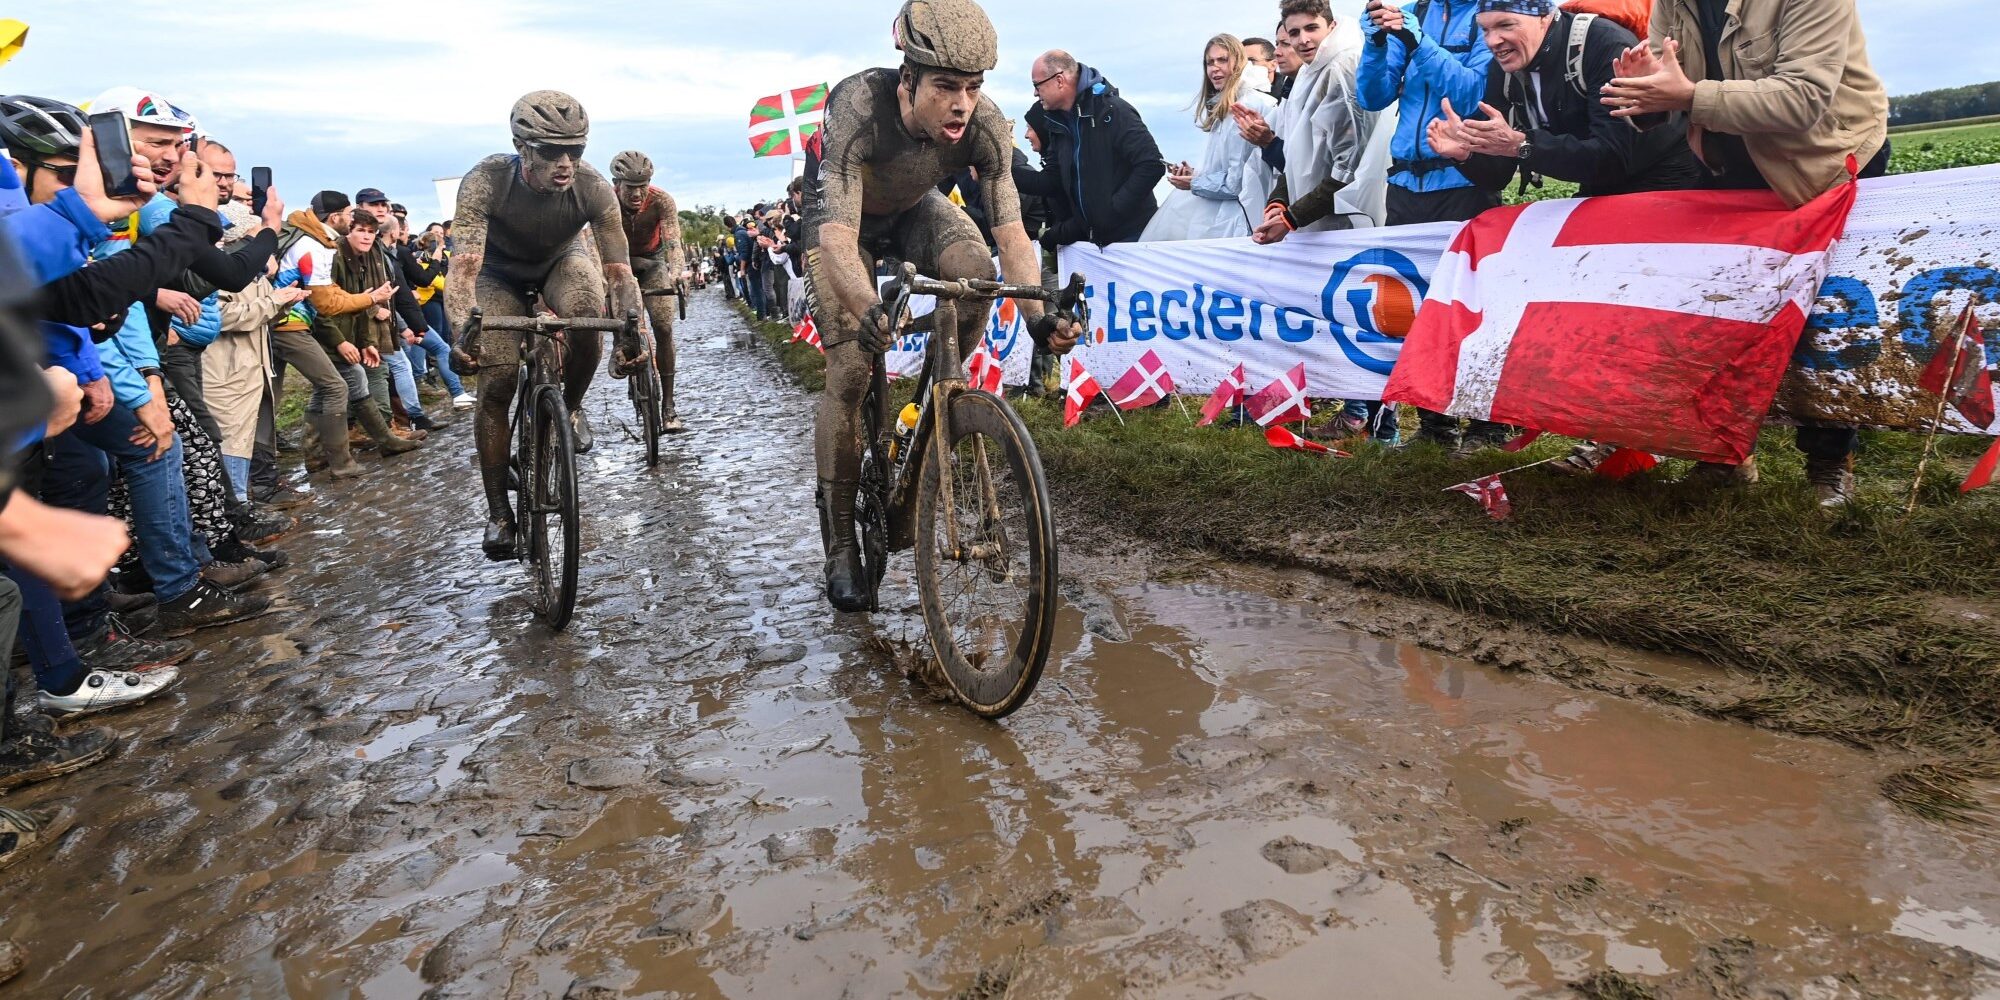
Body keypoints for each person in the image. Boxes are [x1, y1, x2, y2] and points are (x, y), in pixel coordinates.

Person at [802, 0, 1083, 611]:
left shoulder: (984, 124)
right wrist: (867, 310)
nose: (962, 103)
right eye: (946, 87)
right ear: (908, 81)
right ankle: (840, 543)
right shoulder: (857, 106)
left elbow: (1010, 234)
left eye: (974, 87)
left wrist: (1039, 320)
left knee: (975, 274)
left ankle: (932, 403)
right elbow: (837, 242)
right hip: (840, 224)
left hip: (912, 212)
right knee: (850, 369)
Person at [1602, 0, 1889, 505]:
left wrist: (1685, 94)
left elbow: (1802, 98)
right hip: (1730, 168)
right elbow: (1670, 93)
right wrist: (1645, 95)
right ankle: (1723, 455)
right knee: (1719, 311)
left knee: (1824, 318)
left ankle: (1829, 463)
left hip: (1824, 164)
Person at [1426, 0, 1703, 469]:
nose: (1493, 40)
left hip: (1668, 180)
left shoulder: (1602, 45)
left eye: (1505, 25)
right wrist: (1466, 156)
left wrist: (1526, 146)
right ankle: (1609, 435)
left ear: (1544, 17)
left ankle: (1687, 445)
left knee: (1653, 322)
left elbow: (1615, 153)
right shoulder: (1506, 67)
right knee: (1602, 321)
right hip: (1604, 184)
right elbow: (1499, 172)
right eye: (1485, 29)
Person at [446, 90, 646, 560]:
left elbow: (620, 274)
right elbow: (463, 271)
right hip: (497, 275)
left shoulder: (594, 187)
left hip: (561, 260)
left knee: (587, 314)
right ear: (522, 149)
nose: (565, 163)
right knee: (495, 380)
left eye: (575, 151)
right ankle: (499, 513)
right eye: (551, 152)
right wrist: (462, 333)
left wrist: (631, 331)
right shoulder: (485, 181)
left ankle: (568, 409)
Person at [1239, 0, 1394, 241]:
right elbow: (1298, 159)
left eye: (1311, 28)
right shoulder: (1308, 73)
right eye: (1294, 32)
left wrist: (1291, 218)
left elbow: (1348, 169)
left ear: (1331, 26)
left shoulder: (1342, 69)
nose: (1303, 40)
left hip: (1347, 225)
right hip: (1316, 220)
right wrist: (1279, 203)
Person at [1015, 50, 1165, 251]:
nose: (1035, 92)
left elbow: (1152, 164)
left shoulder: (1113, 111)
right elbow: (1052, 181)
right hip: (1094, 245)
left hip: (1132, 240)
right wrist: (998, 172)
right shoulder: (1057, 125)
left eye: (1037, 85)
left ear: (1059, 80)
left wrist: (1111, 212)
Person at [1141, 34, 1279, 241]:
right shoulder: (1227, 108)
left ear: (1239, 63)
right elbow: (1226, 168)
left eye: (1222, 60)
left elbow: (1238, 183)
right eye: (1209, 62)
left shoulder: (1246, 106)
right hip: (1224, 219)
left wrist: (1194, 182)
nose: (1214, 68)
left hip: (1236, 223)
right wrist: (1197, 173)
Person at [610, 149, 688, 432]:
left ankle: (668, 406)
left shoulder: (661, 201)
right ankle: (624, 351)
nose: (637, 194)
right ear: (616, 184)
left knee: (664, 327)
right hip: (618, 263)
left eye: (642, 187)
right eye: (630, 188)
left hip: (652, 263)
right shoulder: (605, 201)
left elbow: (673, 242)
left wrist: (677, 271)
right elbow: (592, 245)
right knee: (623, 321)